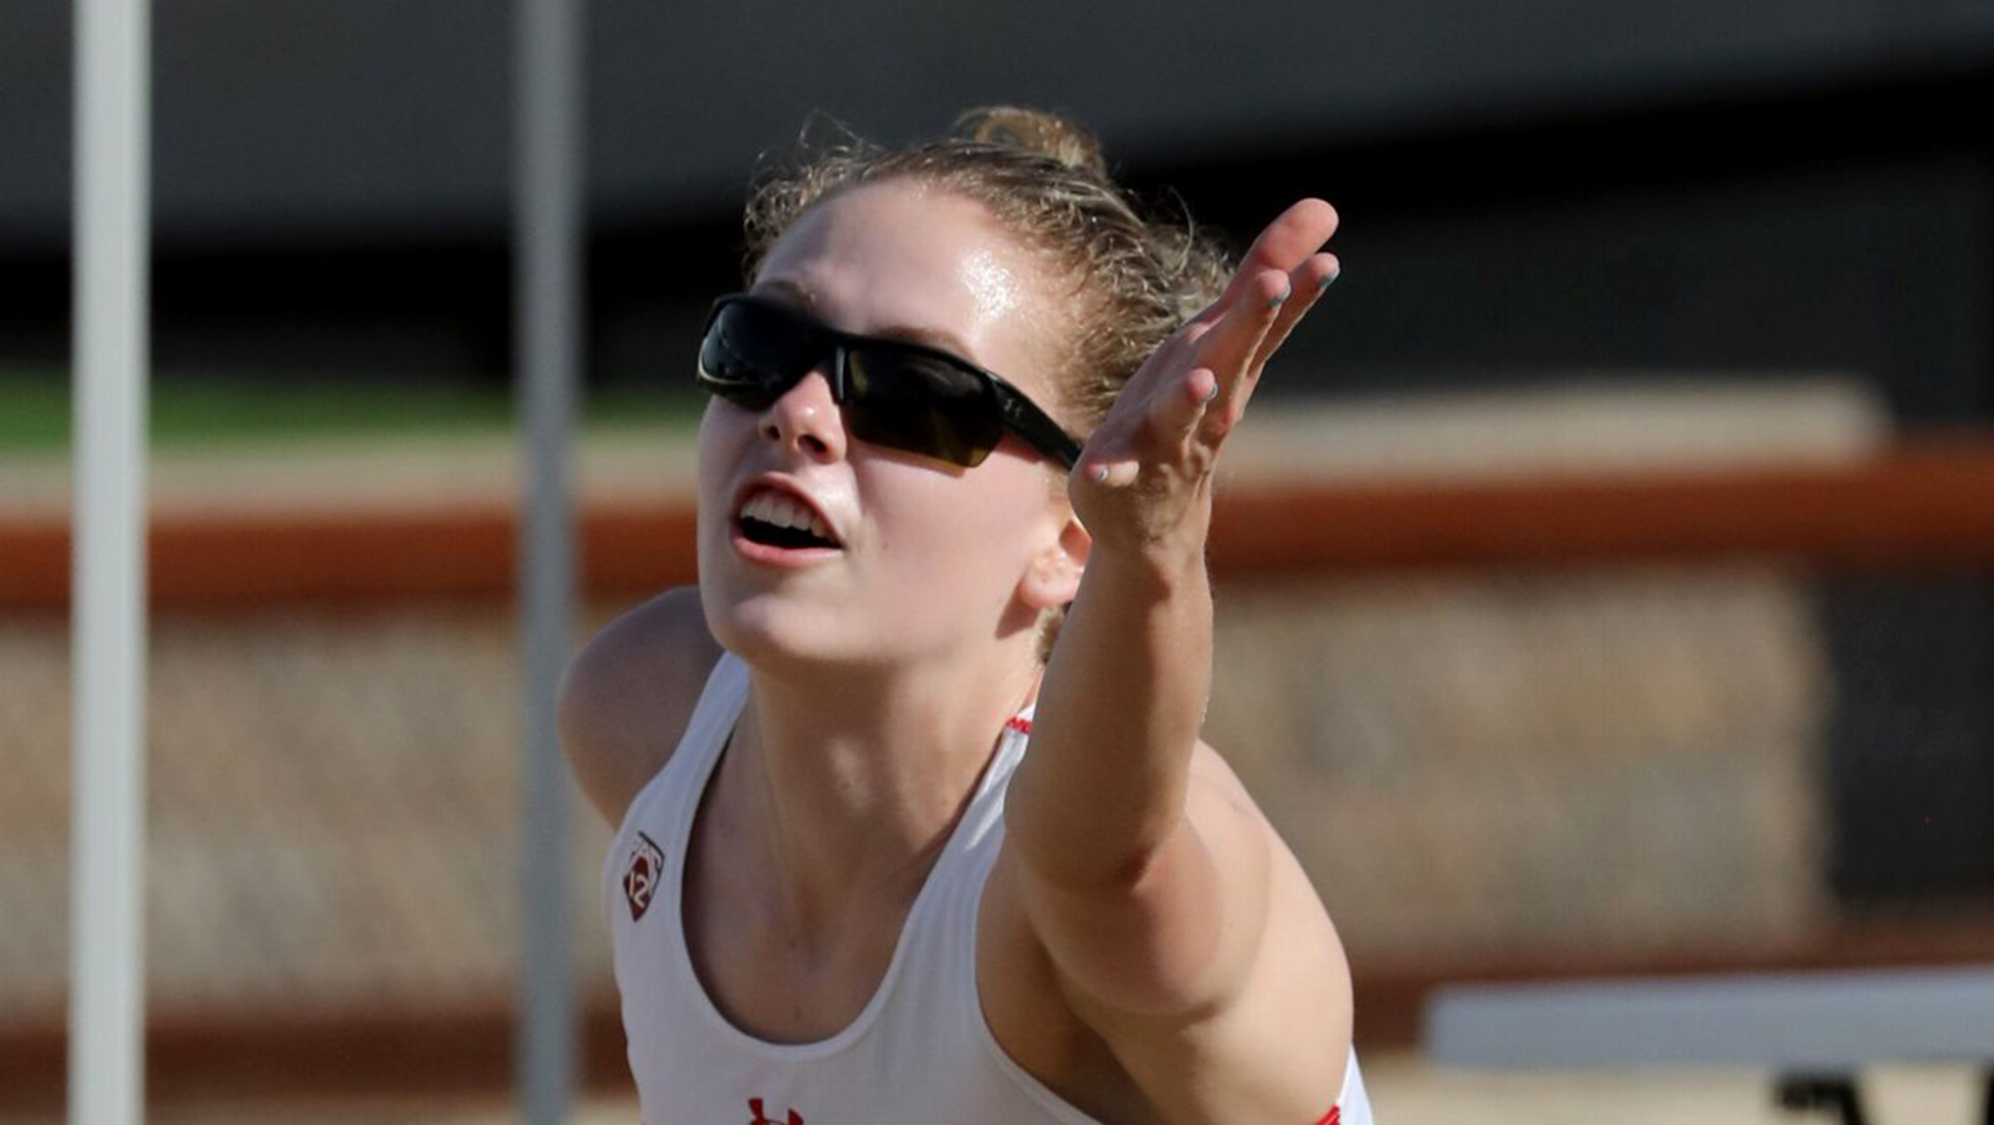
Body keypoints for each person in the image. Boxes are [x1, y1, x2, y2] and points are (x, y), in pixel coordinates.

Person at [560, 107, 1367, 1124]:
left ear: (1067, 542)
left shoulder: (1075, 892)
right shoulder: (641, 711)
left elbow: (1109, 864)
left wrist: (1149, 549)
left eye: (911, 393)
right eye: (763, 344)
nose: (798, 411)